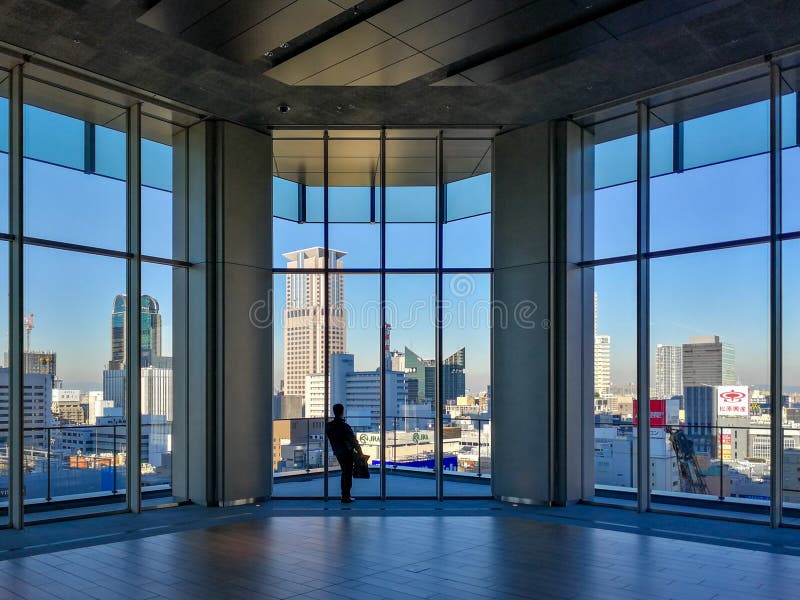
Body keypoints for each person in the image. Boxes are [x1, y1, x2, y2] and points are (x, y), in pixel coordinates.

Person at [325, 403, 362, 503]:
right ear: (342, 412)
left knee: (344, 472)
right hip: (347, 452)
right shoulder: (345, 426)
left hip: (338, 452)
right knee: (347, 474)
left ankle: (344, 495)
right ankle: (346, 496)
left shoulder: (329, 426)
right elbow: (353, 441)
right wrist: (360, 452)